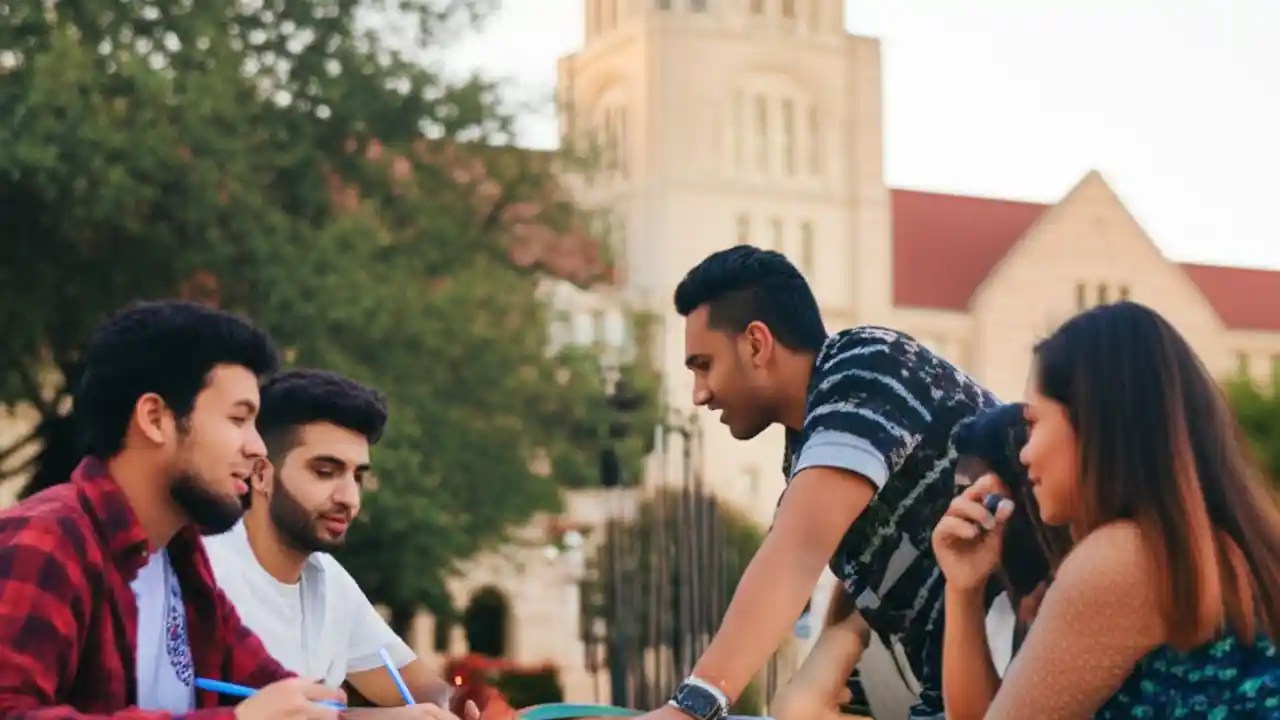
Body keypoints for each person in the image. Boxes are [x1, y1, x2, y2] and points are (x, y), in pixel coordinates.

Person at [647, 245, 1001, 720]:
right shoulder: (812, 438)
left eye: (703, 364)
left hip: (1020, 663)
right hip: (948, 685)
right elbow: (861, 564)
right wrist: (820, 672)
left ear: (756, 343)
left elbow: (798, 550)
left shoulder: (866, 364)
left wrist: (692, 708)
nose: (699, 394)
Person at [0, 300, 346, 718]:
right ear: (154, 418)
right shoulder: (48, 539)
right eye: (239, 419)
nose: (257, 448)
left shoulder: (181, 559)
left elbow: (281, 697)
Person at [933, 301, 1280, 718]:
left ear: (1095, 421)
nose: (1024, 454)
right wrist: (964, 589)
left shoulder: (1124, 559)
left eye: (1034, 422)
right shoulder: (1218, 550)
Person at [770, 403, 1068, 720]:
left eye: (976, 494)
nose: (960, 508)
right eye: (955, 491)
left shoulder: (1067, 594)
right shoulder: (965, 601)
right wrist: (962, 590)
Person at [204, 369, 467, 714]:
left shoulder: (327, 579)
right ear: (261, 475)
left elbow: (417, 686)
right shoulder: (205, 574)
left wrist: (469, 707)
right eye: (326, 472)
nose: (349, 498)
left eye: (357, 477)